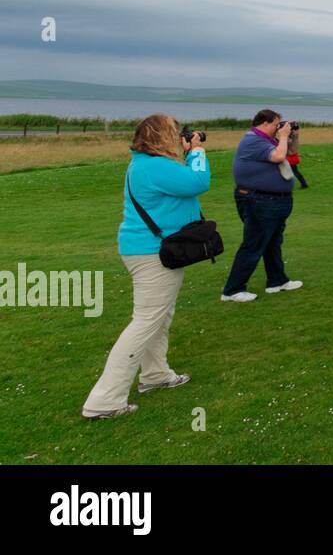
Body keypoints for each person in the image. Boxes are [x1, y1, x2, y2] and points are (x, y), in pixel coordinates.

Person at [82, 114, 209, 419]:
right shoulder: (154, 166)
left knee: (159, 317)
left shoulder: (144, 164)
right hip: (153, 254)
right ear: (163, 136)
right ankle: (104, 400)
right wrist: (198, 152)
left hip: (145, 250)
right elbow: (198, 182)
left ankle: (155, 375)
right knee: (145, 322)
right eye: (175, 133)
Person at [221, 110, 302, 302]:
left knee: (273, 242)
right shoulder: (253, 140)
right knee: (254, 243)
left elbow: (291, 152)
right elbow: (278, 157)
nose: (279, 127)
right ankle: (232, 290)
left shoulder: (268, 140)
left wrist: (293, 136)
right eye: (276, 123)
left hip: (273, 200)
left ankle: (277, 281)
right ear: (265, 123)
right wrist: (283, 136)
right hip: (258, 200)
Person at [286, 124, 308, 188]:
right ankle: (304, 183)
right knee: (295, 171)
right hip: (293, 156)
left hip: (291, 156)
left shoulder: (292, 136)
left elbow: (288, 143)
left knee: (295, 171)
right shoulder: (295, 134)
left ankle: (304, 184)